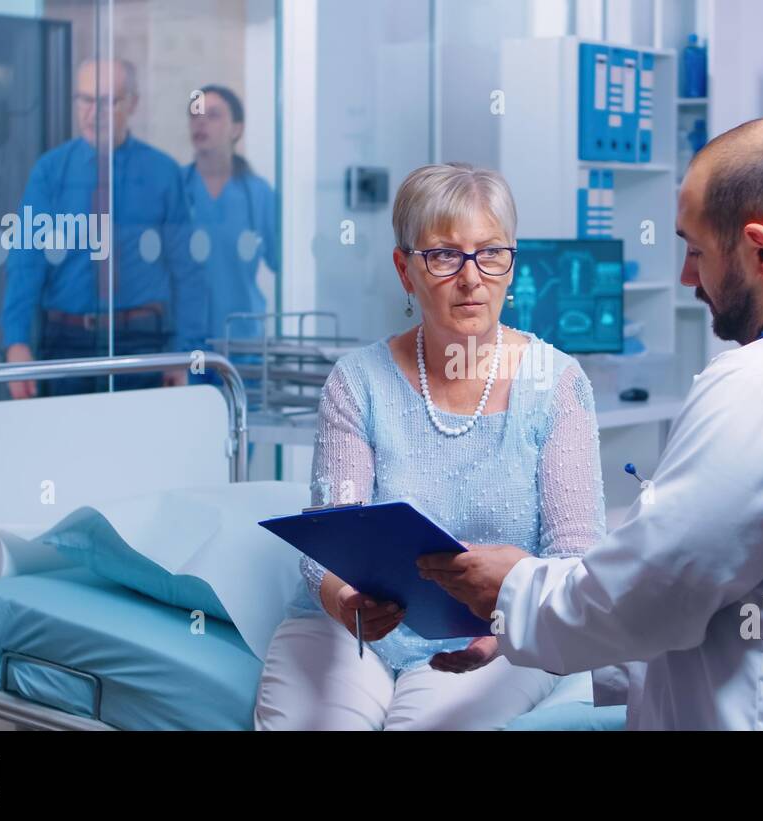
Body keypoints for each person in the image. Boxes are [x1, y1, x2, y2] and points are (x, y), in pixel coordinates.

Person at [419, 117, 763, 730]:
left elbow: (645, 600)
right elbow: (748, 603)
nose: (687, 278)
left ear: (761, 252)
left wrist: (514, 587)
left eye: (695, 250)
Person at [253, 163, 605, 730]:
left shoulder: (556, 384)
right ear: (404, 269)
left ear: (511, 263)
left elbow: (574, 560)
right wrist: (346, 602)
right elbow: (328, 537)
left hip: (503, 631)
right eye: (444, 256)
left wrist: (505, 632)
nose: (472, 278)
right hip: (354, 622)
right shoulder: (357, 381)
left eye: (490, 253)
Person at [1, 58, 205, 398]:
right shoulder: (50, 173)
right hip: (67, 344)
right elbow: (26, 262)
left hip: (143, 343)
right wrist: (17, 342)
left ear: (133, 103)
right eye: (85, 99)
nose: (94, 112)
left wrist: (185, 352)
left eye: (108, 101)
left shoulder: (163, 173)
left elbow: (187, 272)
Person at [184, 84, 278, 350]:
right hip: (187, 340)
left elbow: (281, 260)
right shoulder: (176, 187)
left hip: (242, 339)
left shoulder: (258, 194)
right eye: (195, 115)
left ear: (237, 129)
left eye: (212, 115)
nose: (200, 123)